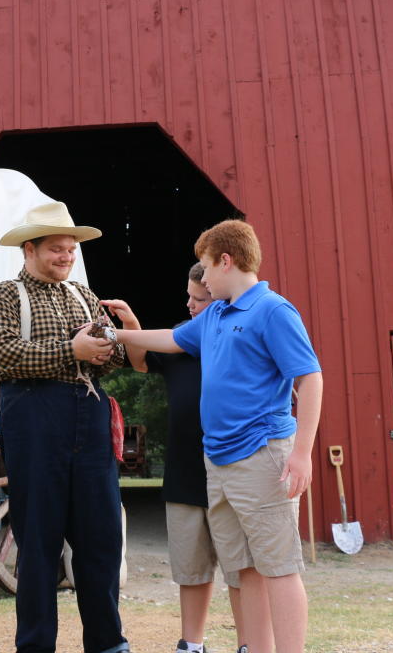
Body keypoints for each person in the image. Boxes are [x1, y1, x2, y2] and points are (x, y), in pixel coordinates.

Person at [114, 220, 323, 653]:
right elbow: (170, 339)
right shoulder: (216, 315)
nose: (203, 279)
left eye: (207, 268)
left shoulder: (273, 310)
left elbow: (311, 379)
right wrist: (115, 334)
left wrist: (302, 454)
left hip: (263, 456)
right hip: (218, 463)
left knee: (279, 568)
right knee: (245, 570)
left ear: (227, 261)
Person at [0, 201, 130, 653]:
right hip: (35, 421)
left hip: (90, 416)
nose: (66, 257)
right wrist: (73, 351)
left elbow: (113, 356)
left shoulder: (83, 295)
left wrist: (106, 350)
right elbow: (3, 355)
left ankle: (107, 645)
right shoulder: (4, 296)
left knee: (101, 540)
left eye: (70, 250)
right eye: (56, 249)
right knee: (39, 543)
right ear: (29, 249)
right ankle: (36, 645)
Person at [103, 264, 268, 653]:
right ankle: (190, 645)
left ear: (223, 299)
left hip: (233, 468)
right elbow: (141, 361)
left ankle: (249, 645)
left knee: (241, 570)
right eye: (190, 297)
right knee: (191, 570)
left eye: (200, 299)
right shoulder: (181, 338)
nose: (190, 305)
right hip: (184, 471)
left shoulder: (239, 338)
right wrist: (130, 323)